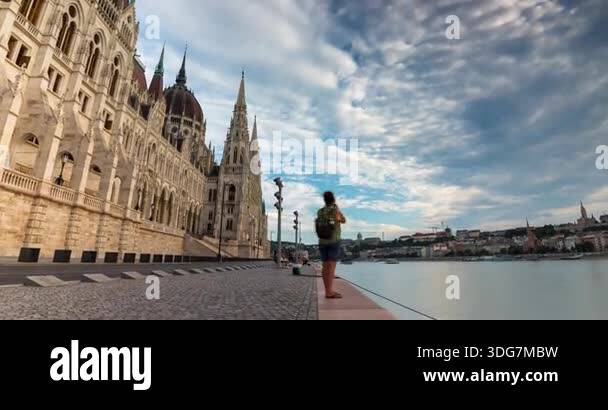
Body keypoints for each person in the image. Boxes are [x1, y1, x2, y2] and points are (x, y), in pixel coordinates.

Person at [316, 191, 346, 299]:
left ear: (324, 200)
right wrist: (338, 212)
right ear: (333, 199)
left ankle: (327, 290)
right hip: (333, 240)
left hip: (322, 241)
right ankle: (329, 292)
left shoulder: (320, 211)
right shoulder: (335, 210)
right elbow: (343, 220)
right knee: (331, 267)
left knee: (325, 266)